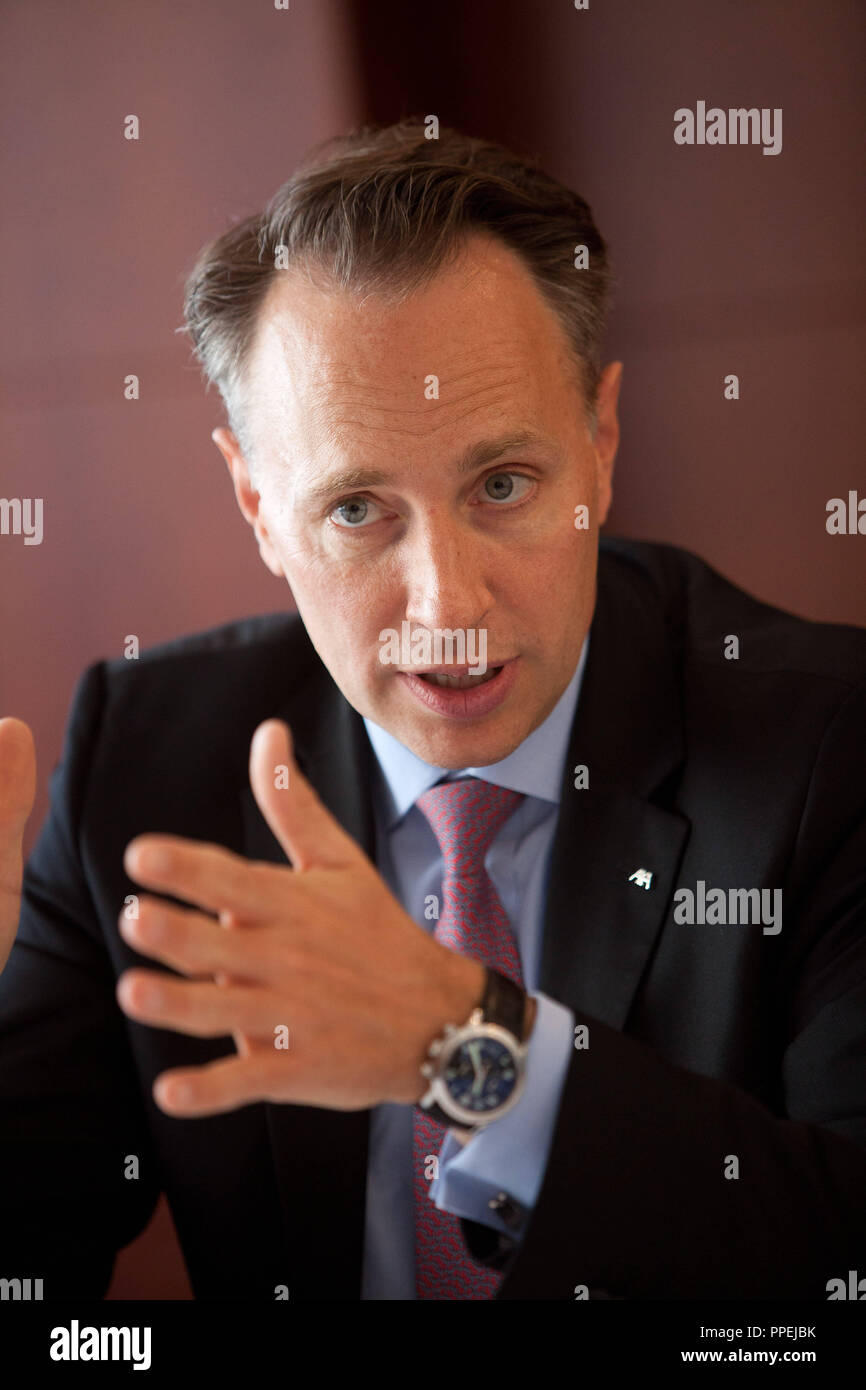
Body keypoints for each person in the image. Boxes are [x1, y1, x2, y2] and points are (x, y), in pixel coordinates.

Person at [1, 121, 864, 1302]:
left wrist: (474, 1053)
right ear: (257, 505)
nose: (446, 603)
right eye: (356, 509)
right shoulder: (142, 760)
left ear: (601, 447)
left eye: (502, 486)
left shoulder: (831, 749)